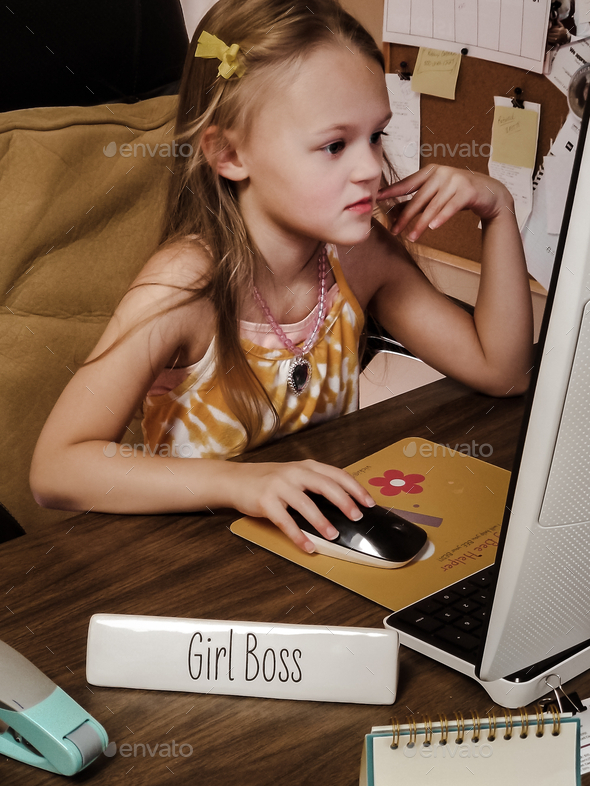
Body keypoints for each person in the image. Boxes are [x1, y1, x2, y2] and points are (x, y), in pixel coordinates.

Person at [30, 0, 534, 553]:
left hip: (317, 550)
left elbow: (503, 371)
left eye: (376, 136)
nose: (368, 168)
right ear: (228, 153)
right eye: (335, 145)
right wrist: (241, 482)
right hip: (200, 563)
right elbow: (56, 469)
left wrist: (498, 210)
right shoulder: (183, 286)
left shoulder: (358, 258)